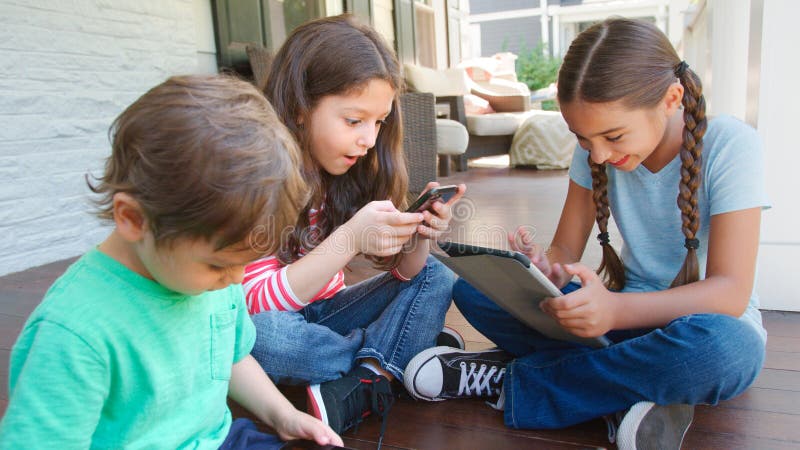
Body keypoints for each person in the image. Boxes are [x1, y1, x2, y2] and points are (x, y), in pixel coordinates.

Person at [403, 17, 768, 450]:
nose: (598, 152)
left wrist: (614, 311)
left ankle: (511, 380)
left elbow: (729, 293)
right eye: (583, 138)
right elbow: (563, 250)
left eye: (613, 136)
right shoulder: (595, 152)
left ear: (672, 99)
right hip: (614, 321)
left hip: (694, 324)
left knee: (725, 352)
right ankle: (629, 393)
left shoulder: (730, 145)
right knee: (474, 292)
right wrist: (545, 270)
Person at [0, 75, 343, 449]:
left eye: (244, 262)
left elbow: (230, 358)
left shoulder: (208, 278)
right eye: (217, 266)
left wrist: (283, 414)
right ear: (132, 219)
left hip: (217, 438)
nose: (235, 280)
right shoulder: (74, 335)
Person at [242, 14, 464, 444]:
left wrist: (419, 236)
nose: (368, 139)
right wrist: (348, 239)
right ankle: (399, 352)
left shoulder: (343, 174)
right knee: (266, 338)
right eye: (354, 120)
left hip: (328, 316)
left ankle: (370, 376)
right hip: (278, 323)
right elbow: (255, 303)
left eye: (378, 122)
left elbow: (405, 274)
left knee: (438, 273)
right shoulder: (257, 175)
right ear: (301, 107)